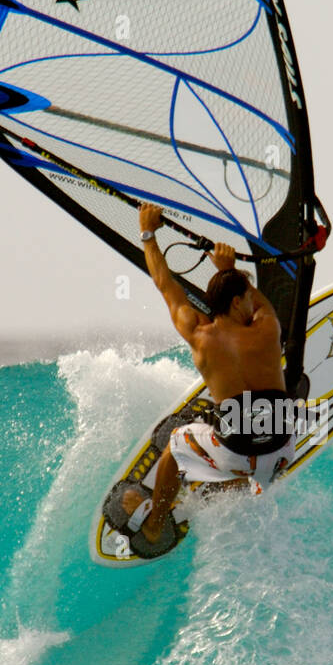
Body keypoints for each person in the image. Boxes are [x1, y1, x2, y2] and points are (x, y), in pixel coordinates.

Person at [115, 203, 296, 556]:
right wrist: (229, 268)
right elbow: (260, 302)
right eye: (245, 298)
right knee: (271, 419)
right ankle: (234, 483)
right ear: (238, 301)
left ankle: (155, 524)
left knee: (176, 444)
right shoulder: (267, 327)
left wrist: (149, 235)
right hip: (281, 452)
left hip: (237, 453)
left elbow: (165, 285)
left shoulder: (197, 333)